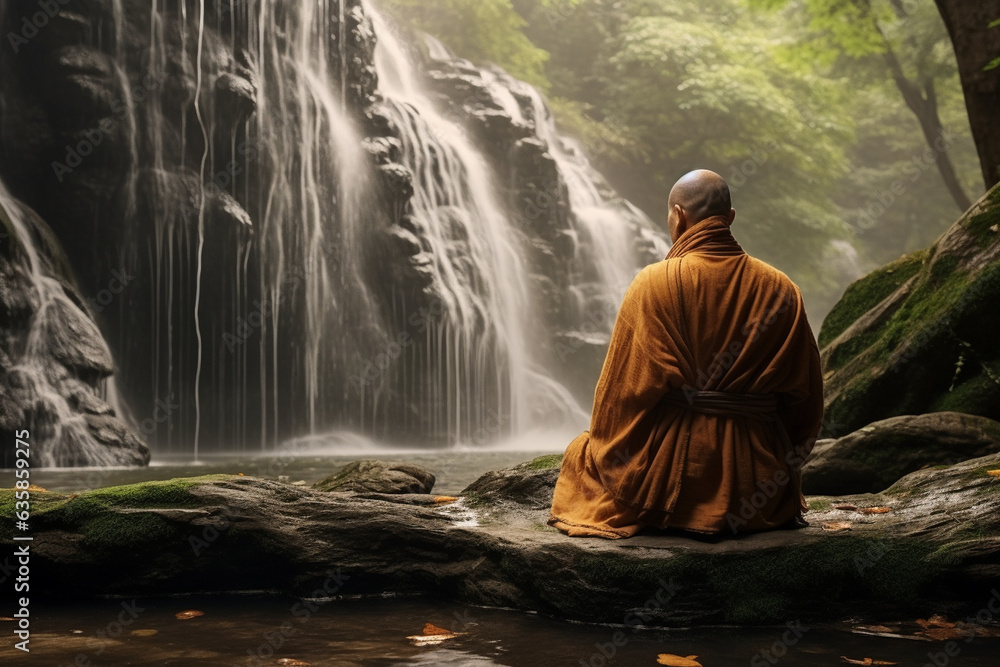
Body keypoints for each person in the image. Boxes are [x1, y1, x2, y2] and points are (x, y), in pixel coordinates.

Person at [548, 169, 824, 539]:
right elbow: (806, 403)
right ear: (730, 218)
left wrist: (611, 455)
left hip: (669, 488)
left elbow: (620, 399)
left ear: (678, 216)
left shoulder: (652, 283)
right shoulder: (782, 289)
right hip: (759, 489)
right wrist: (779, 462)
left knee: (581, 452)